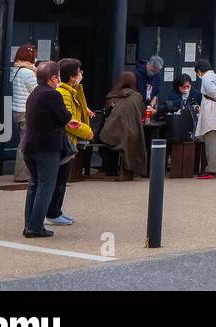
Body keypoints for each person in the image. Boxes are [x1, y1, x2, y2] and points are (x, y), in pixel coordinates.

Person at [21, 61, 78, 238]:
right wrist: (68, 119)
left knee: (34, 185)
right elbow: (64, 116)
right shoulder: (52, 95)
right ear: (53, 78)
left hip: (30, 145)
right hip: (46, 148)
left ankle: (29, 224)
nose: (59, 80)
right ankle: (36, 227)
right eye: (58, 77)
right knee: (46, 186)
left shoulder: (34, 94)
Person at [51, 58, 92, 221]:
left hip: (68, 141)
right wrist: (87, 131)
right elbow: (68, 121)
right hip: (64, 141)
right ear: (72, 75)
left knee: (61, 180)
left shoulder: (72, 91)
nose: (81, 74)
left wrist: (79, 88)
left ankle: (56, 212)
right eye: (79, 71)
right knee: (58, 181)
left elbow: (79, 108)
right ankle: (53, 213)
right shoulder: (64, 93)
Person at [99, 71, 147, 178]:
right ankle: (132, 170)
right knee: (132, 138)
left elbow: (106, 113)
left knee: (110, 139)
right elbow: (142, 111)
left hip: (110, 134)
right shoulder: (137, 96)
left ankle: (110, 170)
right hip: (131, 134)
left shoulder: (111, 95)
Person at [9, 44, 38, 183]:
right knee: (25, 143)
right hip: (27, 111)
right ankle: (22, 174)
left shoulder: (16, 70)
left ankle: (26, 172)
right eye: (34, 55)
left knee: (24, 141)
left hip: (17, 110)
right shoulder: (28, 73)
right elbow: (37, 90)